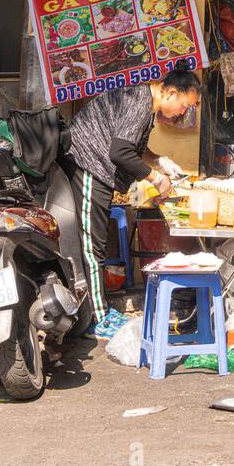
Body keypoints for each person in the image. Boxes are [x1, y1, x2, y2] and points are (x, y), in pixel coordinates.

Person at [60, 69, 202, 325]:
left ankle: (94, 312)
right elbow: (120, 152)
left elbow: (135, 150)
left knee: (96, 245)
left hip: (98, 168)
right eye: (184, 106)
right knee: (92, 248)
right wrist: (156, 178)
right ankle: (98, 318)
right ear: (170, 93)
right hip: (89, 164)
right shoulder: (138, 101)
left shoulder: (145, 106)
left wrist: (160, 162)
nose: (183, 113)